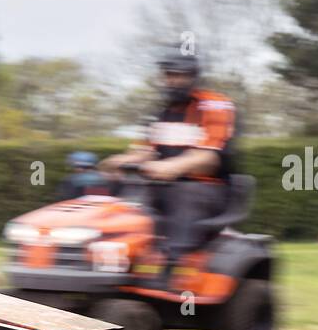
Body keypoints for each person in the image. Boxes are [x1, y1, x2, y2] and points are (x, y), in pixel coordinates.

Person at [101, 49, 236, 284]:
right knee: (120, 197)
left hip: (208, 188)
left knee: (183, 192)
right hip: (162, 183)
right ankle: (110, 258)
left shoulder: (214, 106)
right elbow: (144, 151)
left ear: (193, 76)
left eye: (179, 75)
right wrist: (118, 162)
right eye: (168, 75)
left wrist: (171, 166)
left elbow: (208, 158)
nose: (172, 80)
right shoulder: (161, 112)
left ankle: (172, 265)